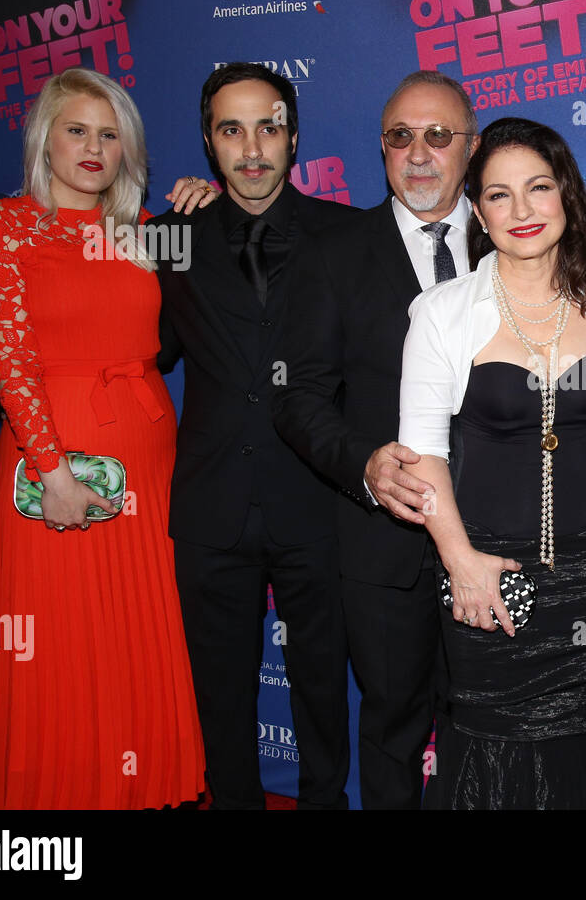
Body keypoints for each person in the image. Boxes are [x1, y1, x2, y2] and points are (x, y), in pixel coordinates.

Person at [0, 66, 205, 808]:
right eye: (77, 130)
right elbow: (9, 357)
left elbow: (229, 275)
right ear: (45, 138)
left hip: (147, 454)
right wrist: (53, 471)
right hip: (56, 460)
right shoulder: (0, 224)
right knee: (60, 640)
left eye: (110, 135)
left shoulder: (143, 238)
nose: (94, 148)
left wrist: (213, 205)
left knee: (137, 636)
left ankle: (139, 790)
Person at [396, 117, 586, 808]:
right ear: (478, 210)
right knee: (488, 744)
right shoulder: (443, 312)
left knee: (572, 739)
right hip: (487, 573)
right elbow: (421, 455)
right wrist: (460, 561)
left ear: (568, 194)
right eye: (500, 196)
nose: (523, 211)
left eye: (539, 188)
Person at [147, 62, 357, 809]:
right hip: (211, 504)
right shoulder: (170, 239)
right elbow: (138, 346)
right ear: (209, 144)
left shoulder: (346, 232)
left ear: (293, 138)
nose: (252, 148)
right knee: (220, 692)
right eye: (231, 130)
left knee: (323, 686)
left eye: (268, 127)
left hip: (317, 501)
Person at [272, 70, 479, 808]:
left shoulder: (518, 242)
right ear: (381, 150)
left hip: (496, 539)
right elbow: (297, 398)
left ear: (472, 148)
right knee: (393, 727)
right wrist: (362, 464)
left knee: (487, 729)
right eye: (399, 137)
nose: (419, 154)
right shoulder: (333, 254)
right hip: (381, 549)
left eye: (438, 136)